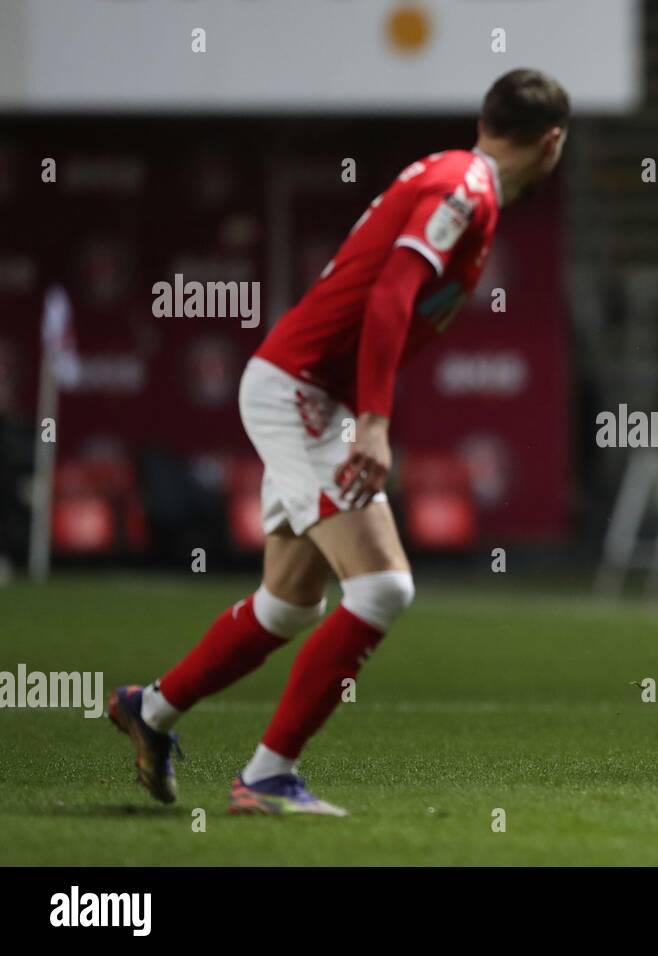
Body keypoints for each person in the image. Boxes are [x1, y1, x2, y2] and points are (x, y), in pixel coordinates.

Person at [109, 69, 570, 814]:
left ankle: (151, 709)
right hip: (305, 392)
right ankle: (266, 776)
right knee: (384, 586)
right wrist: (377, 425)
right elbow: (392, 292)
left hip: (303, 389)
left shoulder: (453, 177)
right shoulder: (468, 190)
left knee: (290, 604)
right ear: (552, 143)